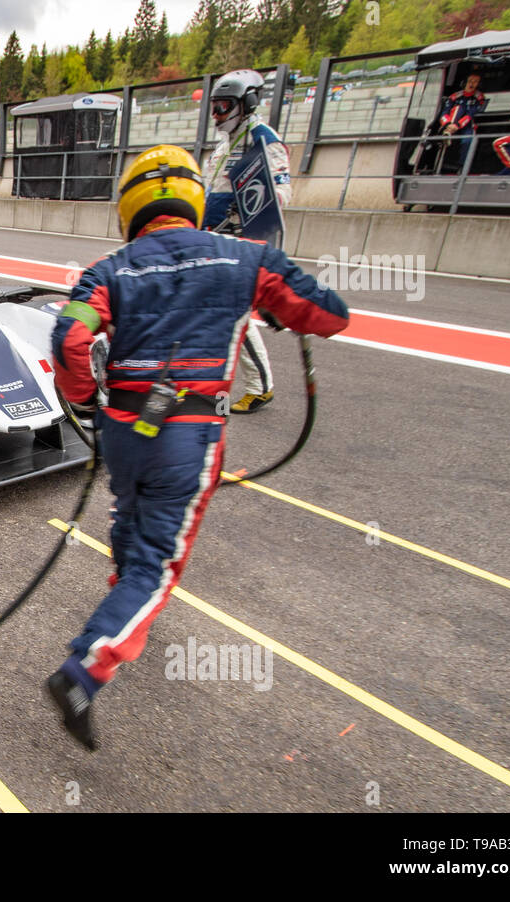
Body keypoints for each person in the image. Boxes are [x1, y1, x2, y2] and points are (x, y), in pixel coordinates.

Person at [44, 145, 349, 751]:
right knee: (158, 560)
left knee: (129, 522)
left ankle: (122, 598)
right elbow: (329, 314)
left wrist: (81, 399)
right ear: (193, 198)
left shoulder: (109, 269)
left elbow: (69, 335)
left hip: (123, 428)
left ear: (131, 206)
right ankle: (87, 667)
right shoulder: (248, 257)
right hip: (188, 433)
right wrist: (280, 301)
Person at [202, 69, 292, 414]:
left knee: (232, 317)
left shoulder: (263, 139)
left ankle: (259, 387)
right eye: (214, 106)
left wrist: (244, 214)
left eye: (223, 106)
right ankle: (251, 385)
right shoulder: (224, 144)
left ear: (248, 103)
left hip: (240, 243)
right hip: (215, 238)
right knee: (228, 316)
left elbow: (282, 192)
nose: (216, 114)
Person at [436, 72, 487, 172]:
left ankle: (462, 167)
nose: (471, 84)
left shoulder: (479, 97)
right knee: (457, 108)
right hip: (449, 124)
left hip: (467, 126)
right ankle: (448, 133)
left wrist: (457, 125)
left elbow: (470, 114)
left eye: (475, 82)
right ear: (464, 83)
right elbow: (444, 113)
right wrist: (448, 124)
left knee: (467, 141)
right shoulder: (454, 96)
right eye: (470, 81)